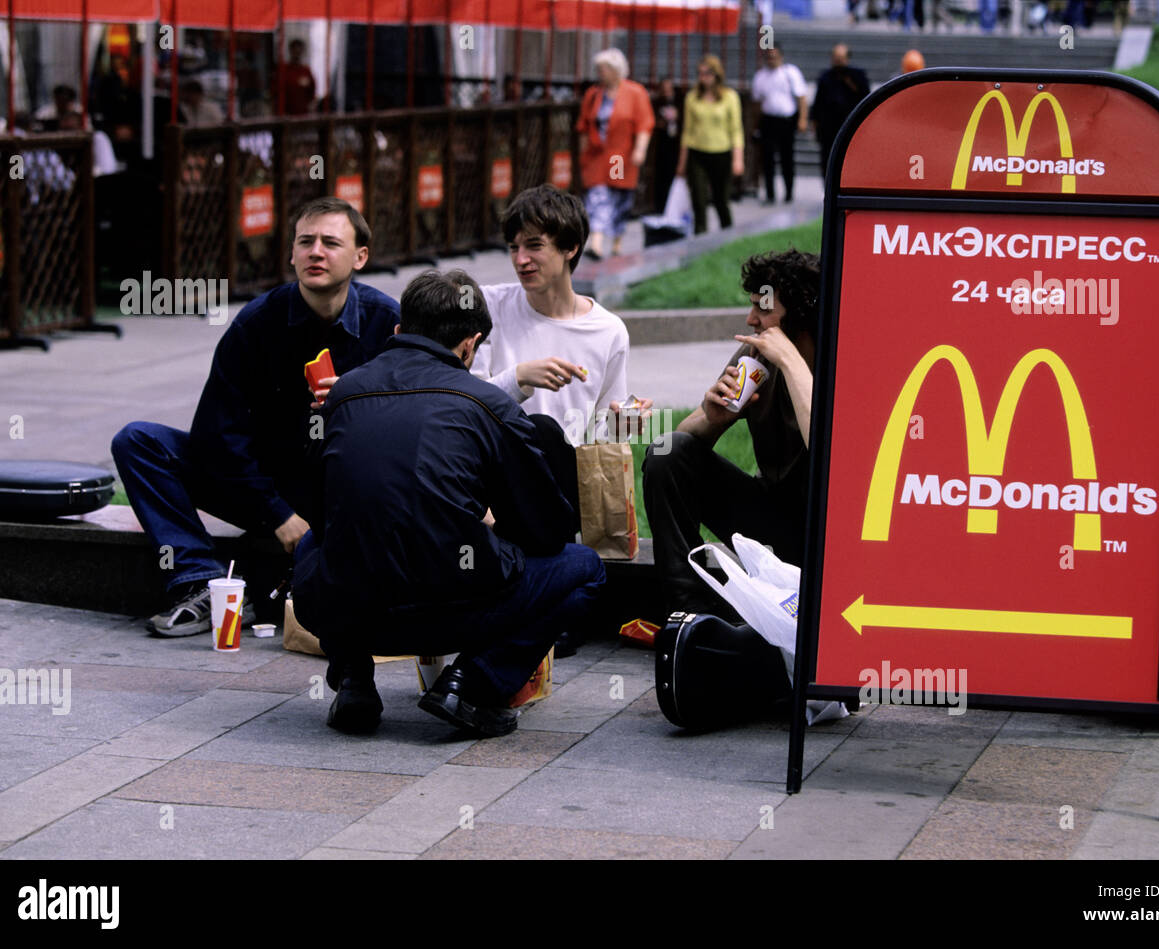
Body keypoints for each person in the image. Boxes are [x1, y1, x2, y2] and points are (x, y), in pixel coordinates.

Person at [291, 270, 607, 737]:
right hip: (455, 614)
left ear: (398, 333)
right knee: (585, 568)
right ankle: (470, 684)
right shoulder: (490, 405)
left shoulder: (341, 394)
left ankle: (355, 678)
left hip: (342, 607)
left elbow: (317, 509)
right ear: (470, 345)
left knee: (313, 546)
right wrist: (488, 524)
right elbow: (546, 531)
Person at [110, 198, 398, 637]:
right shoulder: (258, 323)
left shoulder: (388, 323)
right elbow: (216, 434)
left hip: (346, 488)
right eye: (305, 242)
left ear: (360, 257)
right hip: (264, 485)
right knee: (139, 442)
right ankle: (200, 581)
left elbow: (414, 425)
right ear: (291, 254)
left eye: (330, 243)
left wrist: (356, 399)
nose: (315, 252)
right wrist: (276, 512)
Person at [472, 185, 652, 656]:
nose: (521, 259)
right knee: (540, 431)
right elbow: (460, 402)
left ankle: (539, 603)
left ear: (571, 248)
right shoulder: (490, 306)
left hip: (561, 491)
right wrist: (518, 378)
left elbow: (603, 436)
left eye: (535, 246)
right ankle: (550, 604)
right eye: (513, 247)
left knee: (552, 438)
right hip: (490, 473)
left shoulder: (607, 330)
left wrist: (631, 422)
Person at [642, 249, 819, 619]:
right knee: (666, 453)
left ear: (801, 311)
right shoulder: (757, 356)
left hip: (825, 534)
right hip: (773, 515)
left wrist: (789, 361)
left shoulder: (840, 356)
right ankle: (685, 610)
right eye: (752, 305)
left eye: (764, 308)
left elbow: (829, 455)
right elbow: (682, 440)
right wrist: (712, 417)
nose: (751, 318)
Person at [576, 48, 654, 259]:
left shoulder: (634, 93)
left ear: (615, 70)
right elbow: (583, 125)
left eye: (603, 69)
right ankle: (597, 242)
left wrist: (640, 149)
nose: (599, 73)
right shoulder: (594, 95)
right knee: (598, 196)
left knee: (618, 194)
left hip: (619, 157)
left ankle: (617, 240)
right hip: (597, 155)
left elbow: (644, 124)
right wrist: (583, 156)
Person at [678, 55, 743, 234]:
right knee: (699, 199)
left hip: (721, 152)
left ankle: (728, 234)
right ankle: (700, 237)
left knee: (721, 199)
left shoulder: (730, 97)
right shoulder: (692, 97)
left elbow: (736, 130)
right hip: (698, 152)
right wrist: (682, 163)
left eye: (707, 73)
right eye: (700, 73)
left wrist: (738, 159)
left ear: (717, 74)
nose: (703, 77)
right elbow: (687, 132)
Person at [750, 45, 807, 204]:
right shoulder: (761, 76)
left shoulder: (790, 73)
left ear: (781, 57)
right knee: (768, 159)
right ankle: (770, 193)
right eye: (769, 57)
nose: (772, 60)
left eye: (774, 56)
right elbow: (756, 104)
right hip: (768, 120)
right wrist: (756, 125)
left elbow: (801, 97)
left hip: (786, 120)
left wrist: (802, 119)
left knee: (786, 158)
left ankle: (789, 191)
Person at [812, 44, 869, 179]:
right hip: (828, 127)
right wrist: (814, 123)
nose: (838, 61)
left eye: (841, 58)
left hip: (850, 126)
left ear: (847, 58)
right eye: (836, 57)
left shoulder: (857, 76)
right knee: (827, 159)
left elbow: (865, 96)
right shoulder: (825, 77)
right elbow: (818, 102)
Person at [651, 77, 682, 213]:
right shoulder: (657, 103)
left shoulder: (679, 102)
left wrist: (677, 117)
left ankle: (672, 207)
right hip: (661, 144)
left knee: (673, 175)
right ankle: (660, 206)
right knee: (660, 176)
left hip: (675, 144)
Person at [279, 39, 317, 115]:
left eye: (299, 51)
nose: (297, 53)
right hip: (286, 114)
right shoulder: (284, 70)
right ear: (291, 51)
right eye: (295, 50)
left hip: (303, 113)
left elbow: (312, 90)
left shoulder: (306, 71)